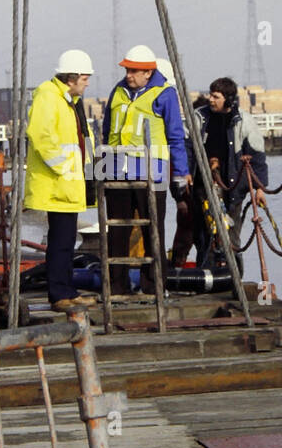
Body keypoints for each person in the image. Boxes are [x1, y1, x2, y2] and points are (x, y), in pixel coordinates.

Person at [101, 45, 189, 294]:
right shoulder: (117, 91)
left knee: (154, 229)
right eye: (127, 69)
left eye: (134, 70)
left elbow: (175, 136)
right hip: (116, 169)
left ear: (148, 73)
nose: (129, 74)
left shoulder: (165, 94)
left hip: (152, 171)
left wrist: (180, 173)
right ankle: (116, 286)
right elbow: (108, 130)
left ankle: (154, 286)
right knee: (118, 230)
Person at [24, 49, 97, 311]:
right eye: (85, 78)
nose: (87, 83)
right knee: (60, 242)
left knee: (66, 241)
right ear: (73, 76)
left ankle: (67, 290)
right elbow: (41, 135)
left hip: (67, 186)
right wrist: (65, 168)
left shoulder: (66, 100)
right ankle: (59, 295)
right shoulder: (48, 96)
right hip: (57, 185)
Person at [189, 76, 268, 270]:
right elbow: (187, 147)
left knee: (231, 236)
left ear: (228, 99)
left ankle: (233, 277)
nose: (210, 99)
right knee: (205, 235)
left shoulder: (244, 121)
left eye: (216, 96)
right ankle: (206, 275)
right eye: (210, 95)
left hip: (233, 189)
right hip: (203, 188)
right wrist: (186, 172)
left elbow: (257, 157)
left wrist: (259, 188)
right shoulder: (200, 117)